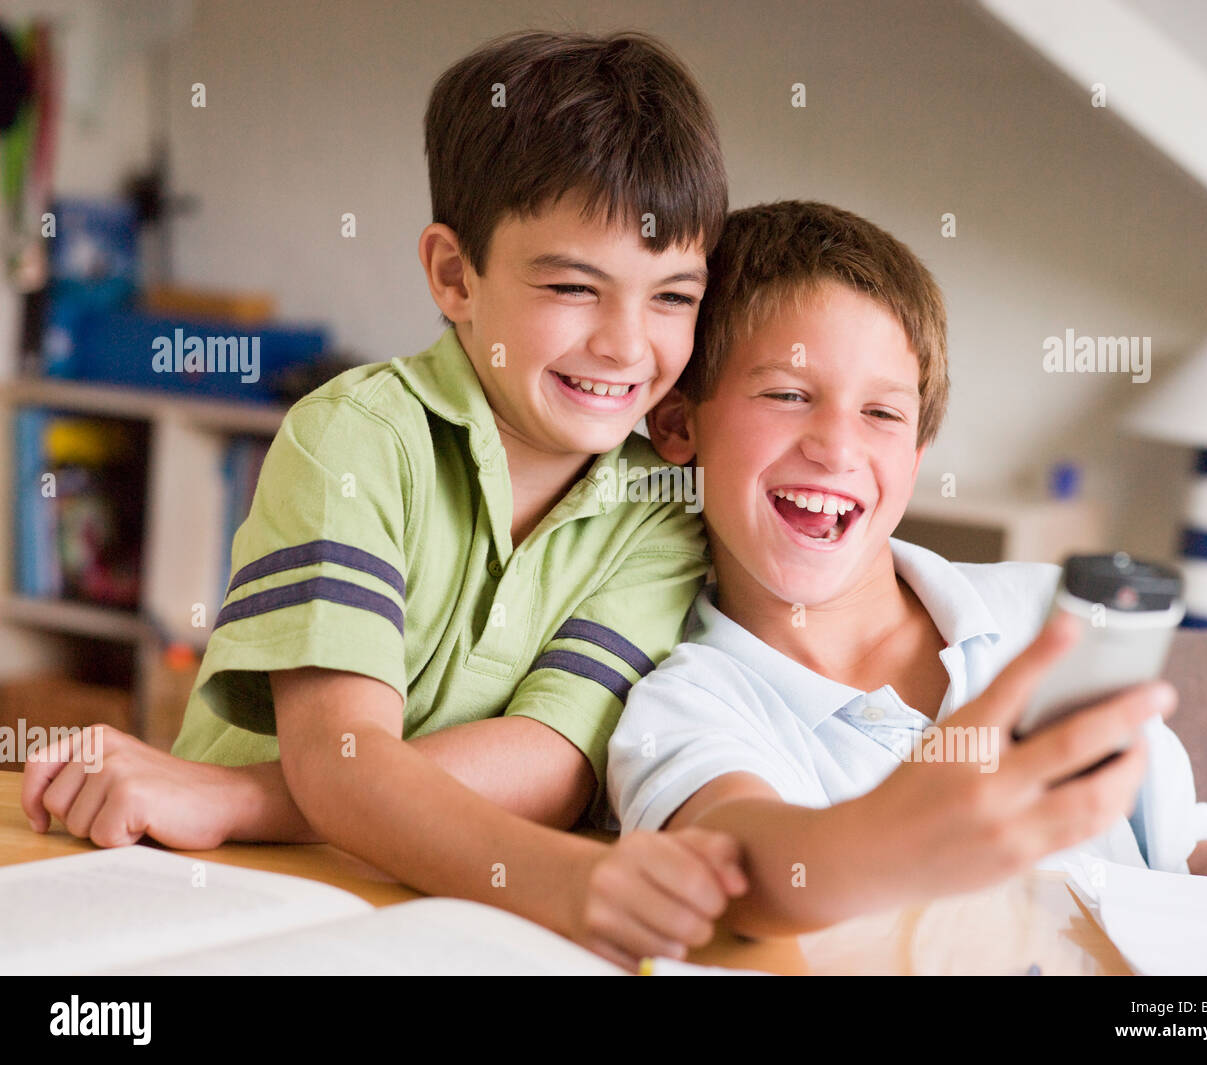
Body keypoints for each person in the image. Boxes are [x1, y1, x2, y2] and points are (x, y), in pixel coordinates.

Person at [22, 30, 745, 972]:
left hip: (441, 914)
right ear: (454, 275)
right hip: (233, 889)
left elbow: (553, 758)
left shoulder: (662, 505)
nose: (625, 344)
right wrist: (576, 884)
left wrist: (233, 797)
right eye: (574, 286)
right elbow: (343, 757)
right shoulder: (356, 439)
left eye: (673, 297)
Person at [609, 200, 1207, 938]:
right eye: (787, 394)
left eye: (882, 413)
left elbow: (1182, 859)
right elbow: (734, 867)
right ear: (678, 422)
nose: (837, 448)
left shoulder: (1047, 616)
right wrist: (904, 830)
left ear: (916, 456)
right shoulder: (688, 702)